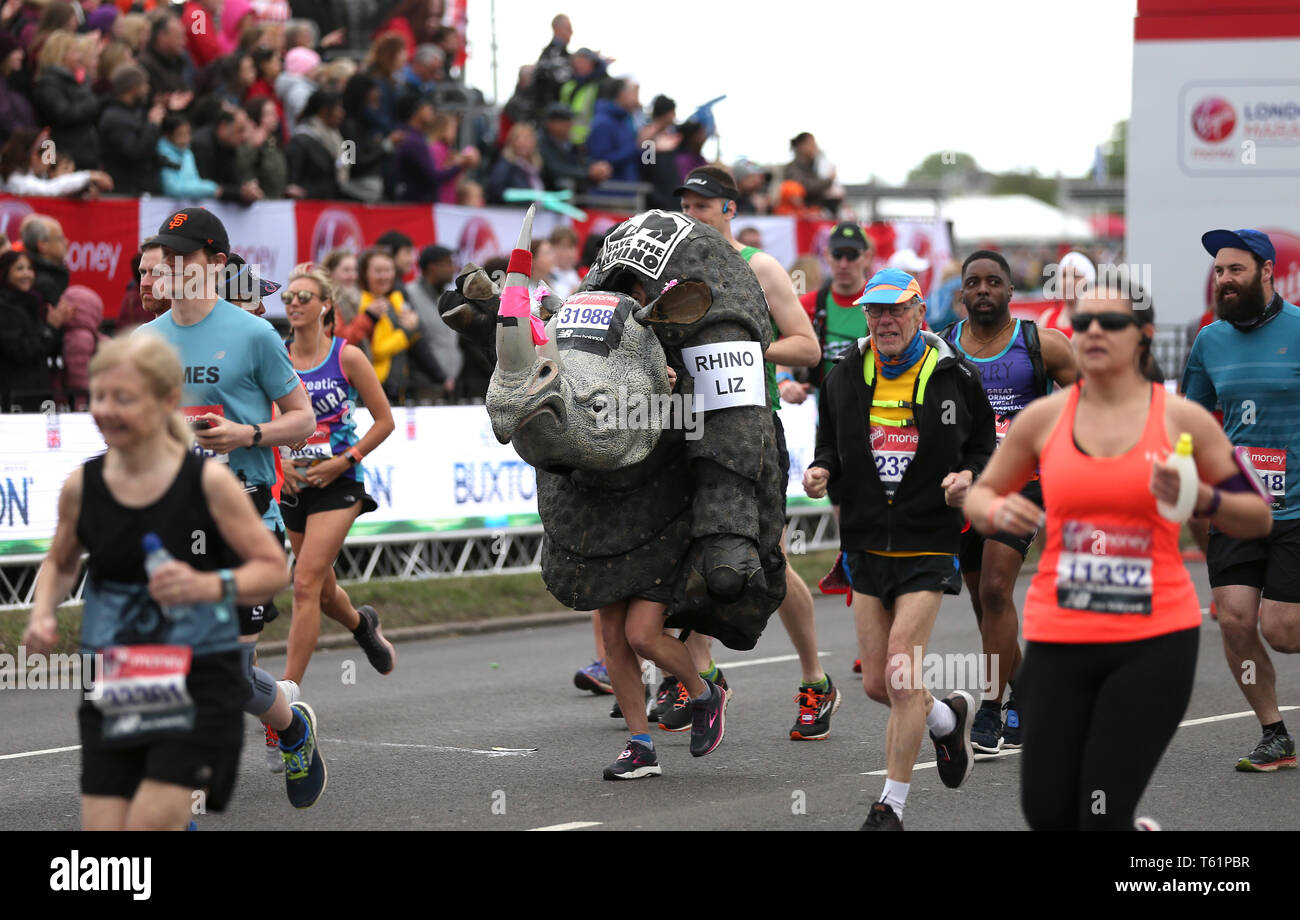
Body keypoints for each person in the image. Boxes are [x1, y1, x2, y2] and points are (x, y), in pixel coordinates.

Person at [965, 273, 1272, 829]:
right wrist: (992, 510)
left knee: (1099, 811)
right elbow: (984, 493)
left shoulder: (1180, 420)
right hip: (1061, 635)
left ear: (1144, 335)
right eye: (1083, 323)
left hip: (1152, 640)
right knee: (1047, 811)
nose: (1094, 331)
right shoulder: (1045, 418)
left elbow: (1255, 515)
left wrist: (1202, 496)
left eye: (1112, 322)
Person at [21, 333, 297, 830]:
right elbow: (60, 561)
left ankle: (290, 728)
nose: (106, 410)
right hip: (122, 672)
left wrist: (208, 587)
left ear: (166, 400)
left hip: (199, 674)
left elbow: (273, 569)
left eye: (124, 398)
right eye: (98, 397)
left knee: (149, 822)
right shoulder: (84, 485)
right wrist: (43, 613)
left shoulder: (207, 483)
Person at [139, 207, 337, 802]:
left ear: (216, 264)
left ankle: (291, 724)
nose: (170, 268)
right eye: (164, 258)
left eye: (184, 257)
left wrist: (245, 435)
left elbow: (303, 419)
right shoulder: (146, 342)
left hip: (245, 518)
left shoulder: (253, 335)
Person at [804, 268, 991, 829]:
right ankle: (944, 719)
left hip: (927, 541)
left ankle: (891, 807)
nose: (885, 321)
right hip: (865, 543)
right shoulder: (844, 377)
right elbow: (829, 444)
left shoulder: (952, 376)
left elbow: (984, 445)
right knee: (879, 684)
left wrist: (968, 477)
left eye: (895, 311)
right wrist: (820, 469)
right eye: (875, 312)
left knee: (902, 676)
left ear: (918, 314)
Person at [675, 165, 837, 739]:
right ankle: (701, 675)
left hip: (750, 431)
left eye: (704, 205)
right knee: (696, 549)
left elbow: (808, 347)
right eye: (686, 205)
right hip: (687, 428)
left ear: (728, 211)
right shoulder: (667, 270)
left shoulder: (758, 267)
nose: (693, 214)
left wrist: (742, 349)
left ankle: (815, 679)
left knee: (768, 558)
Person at [942, 249, 1077, 756]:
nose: (982, 290)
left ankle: (992, 710)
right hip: (967, 486)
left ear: (1008, 291)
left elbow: (1094, 398)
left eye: (992, 282)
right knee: (983, 601)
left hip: (1026, 484)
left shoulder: (1042, 344)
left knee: (997, 588)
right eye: (973, 282)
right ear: (962, 293)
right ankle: (1026, 692)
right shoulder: (943, 347)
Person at [1181, 228, 1300, 772]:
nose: (1224, 280)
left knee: (1282, 629)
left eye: (1235, 270)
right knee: (1233, 618)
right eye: (1219, 272)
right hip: (1236, 504)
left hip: (1297, 509)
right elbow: (1192, 419)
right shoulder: (1209, 340)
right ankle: (1274, 732)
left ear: (1267, 273)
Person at [278, 266, 397, 684]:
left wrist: (344, 461)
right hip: (293, 484)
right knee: (324, 594)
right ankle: (360, 624)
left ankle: (287, 696)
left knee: (305, 582)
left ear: (325, 305)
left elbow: (384, 421)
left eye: (303, 297)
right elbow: (269, 417)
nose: (293, 303)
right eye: (288, 297)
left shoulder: (346, 355)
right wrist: (281, 461)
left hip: (339, 482)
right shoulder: (278, 356)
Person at [801, 221, 874, 389]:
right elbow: (781, 344)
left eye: (852, 255)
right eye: (837, 254)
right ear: (826, 255)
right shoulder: (808, 304)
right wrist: (785, 379)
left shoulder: (882, 302)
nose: (843, 263)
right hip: (823, 409)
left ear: (867, 257)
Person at [0, 249, 67, 412]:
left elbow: (45, 348)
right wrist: (50, 327)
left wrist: (56, 327)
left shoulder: (34, 302)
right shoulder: (4, 307)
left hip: (37, 391)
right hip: (14, 395)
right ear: (5, 272)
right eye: (19, 268)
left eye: (30, 268)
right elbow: (21, 350)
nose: (27, 274)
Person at [97, 62, 165, 197]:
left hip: (139, 187)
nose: (148, 88)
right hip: (124, 190)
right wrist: (153, 125)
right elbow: (135, 151)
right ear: (133, 87)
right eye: (144, 84)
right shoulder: (115, 118)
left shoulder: (137, 112)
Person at [404, 244, 461, 402]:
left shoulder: (449, 297)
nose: (453, 268)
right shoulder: (409, 293)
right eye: (448, 263)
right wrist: (439, 376)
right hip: (423, 386)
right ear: (432, 267)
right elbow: (416, 341)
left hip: (451, 384)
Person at [157, 112, 220, 199]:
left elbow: (195, 180)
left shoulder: (187, 153)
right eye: (180, 134)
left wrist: (208, 188)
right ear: (168, 135)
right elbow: (172, 188)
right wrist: (210, 189)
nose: (186, 139)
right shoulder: (162, 153)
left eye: (187, 134)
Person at [1038, 250, 1096, 338]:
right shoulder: (1046, 319)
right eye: (1064, 275)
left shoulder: (1097, 322)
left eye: (1076, 276)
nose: (1069, 282)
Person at [21, 215, 71, 306]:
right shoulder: (42, 284)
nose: (66, 242)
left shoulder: (52, 275)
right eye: (60, 238)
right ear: (43, 245)